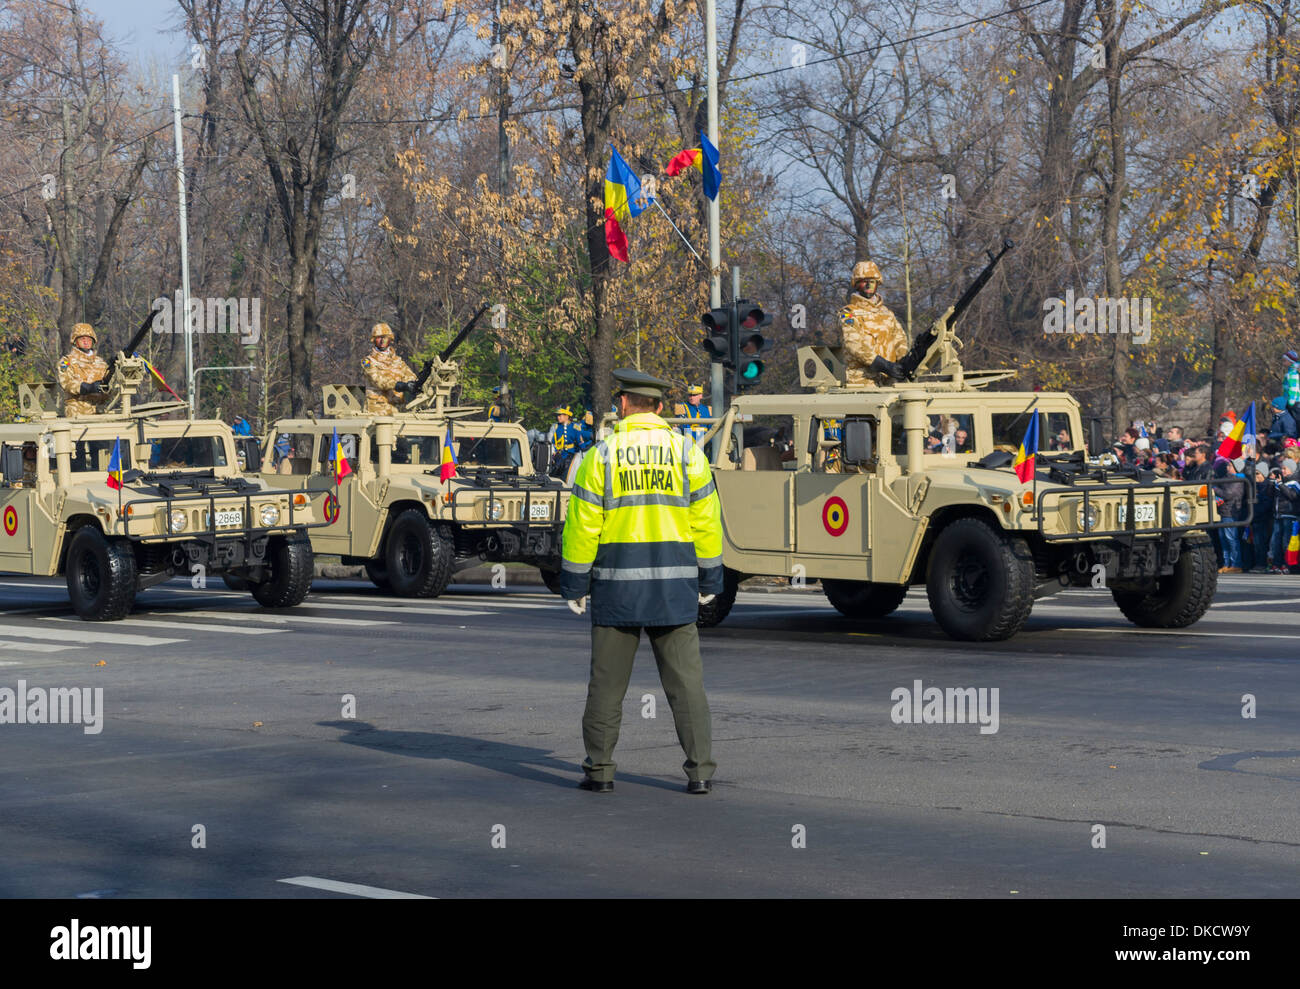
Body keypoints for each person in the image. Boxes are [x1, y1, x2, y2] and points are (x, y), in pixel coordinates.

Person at [559, 368, 723, 794]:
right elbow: (706, 521)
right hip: (674, 588)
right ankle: (701, 772)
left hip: (617, 589)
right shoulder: (688, 453)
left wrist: (576, 585)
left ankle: (599, 772)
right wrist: (711, 577)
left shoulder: (602, 455)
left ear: (624, 404)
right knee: (686, 685)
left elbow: (582, 526)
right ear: (662, 407)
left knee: (607, 687)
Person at [839, 260, 910, 385]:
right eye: (864, 282)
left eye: (872, 282)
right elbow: (853, 344)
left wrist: (902, 365)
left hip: (890, 381)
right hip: (862, 381)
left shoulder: (887, 314)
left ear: (877, 284)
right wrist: (883, 365)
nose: (868, 285)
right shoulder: (847, 313)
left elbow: (900, 341)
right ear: (856, 284)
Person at [362, 322, 416, 415]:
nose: (382, 341)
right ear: (374, 339)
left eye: (385, 337)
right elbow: (378, 381)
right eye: (379, 337)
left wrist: (414, 384)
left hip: (397, 409)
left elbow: (411, 377)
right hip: (377, 411)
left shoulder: (398, 361)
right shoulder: (367, 361)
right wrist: (401, 385)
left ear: (390, 339)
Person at [58, 323, 110, 416]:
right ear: (75, 341)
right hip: (77, 411)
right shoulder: (66, 362)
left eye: (89, 339)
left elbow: (111, 382)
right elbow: (66, 383)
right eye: (82, 339)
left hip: (101, 410)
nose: (86, 342)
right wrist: (87, 387)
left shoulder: (101, 363)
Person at [548, 406, 584, 477]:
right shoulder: (555, 427)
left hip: (572, 455)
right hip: (558, 456)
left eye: (560, 415)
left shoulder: (575, 427)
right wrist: (553, 452)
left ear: (567, 416)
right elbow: (551, 443)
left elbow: (580, 443)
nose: (558, 417)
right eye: (558, 415)